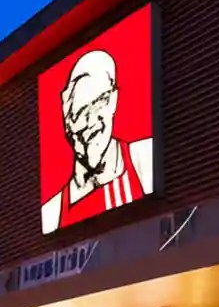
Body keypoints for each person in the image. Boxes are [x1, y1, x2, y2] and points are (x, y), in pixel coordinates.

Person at [41, 49, 154, 235]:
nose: (91, 121)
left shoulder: (145, 161)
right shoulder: (51, 214)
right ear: (67, 125)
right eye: (79, 113)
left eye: (100, 101)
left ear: (113, 101)